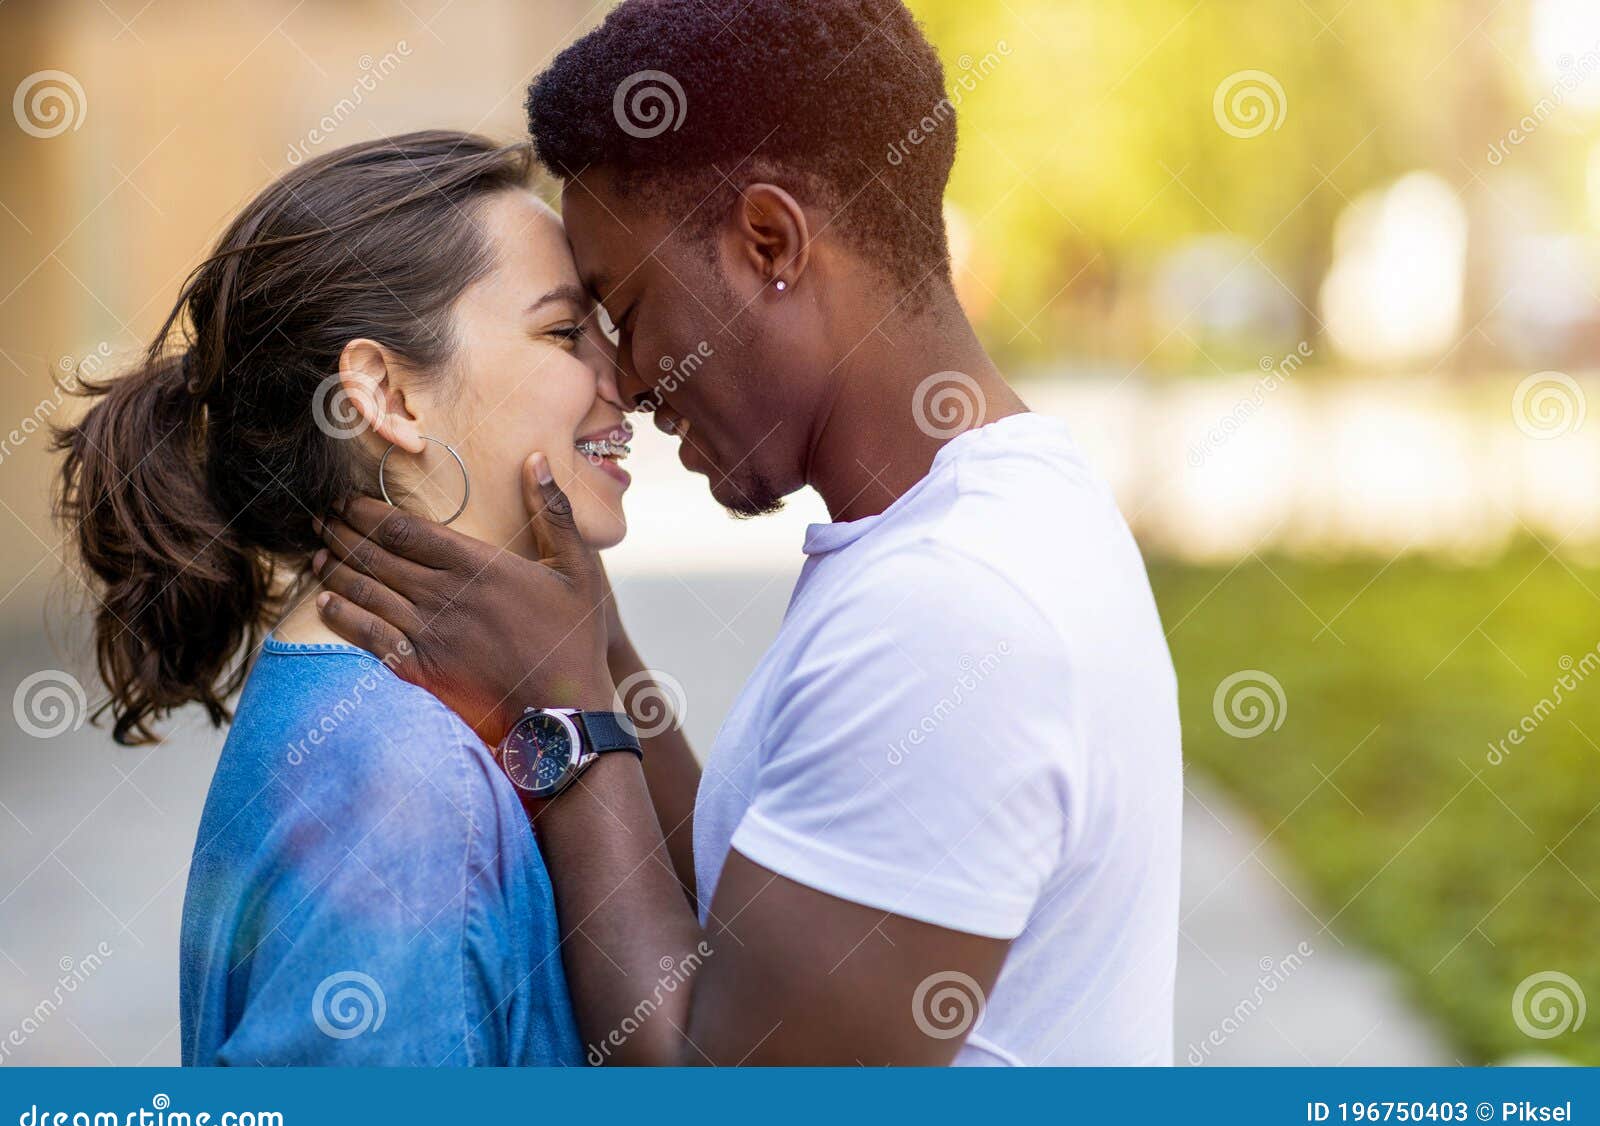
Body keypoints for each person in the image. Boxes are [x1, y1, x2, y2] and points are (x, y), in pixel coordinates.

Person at [313, 0, 1183, 1065]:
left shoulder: (952, 610)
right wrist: (602, 648)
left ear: (768, 241)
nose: (625, 380)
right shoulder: (977, 518)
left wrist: (568, 714)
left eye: (626, 309)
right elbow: (737, 923)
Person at [50, 130, 661, 1065]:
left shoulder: (396, 718)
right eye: (566, 332)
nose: (631, 381)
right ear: (386, 396)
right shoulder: (406, 791)